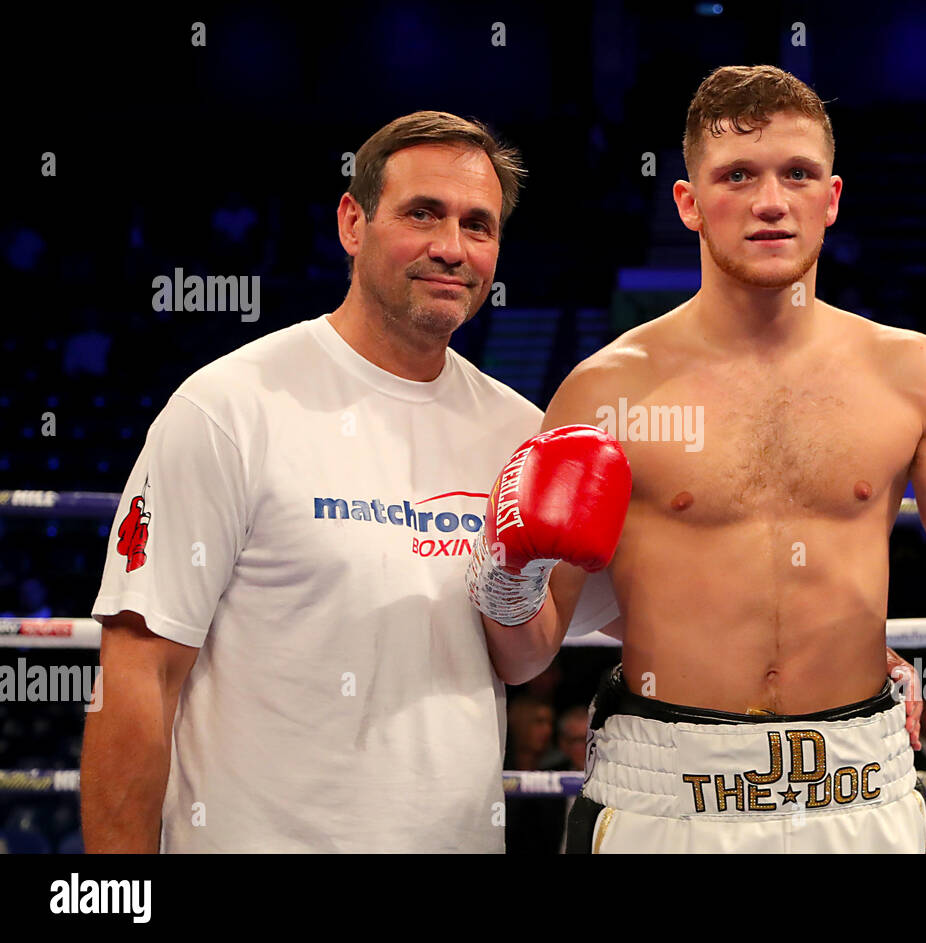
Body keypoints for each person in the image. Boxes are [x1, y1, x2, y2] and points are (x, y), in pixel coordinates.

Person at [467, 65, 926, 853]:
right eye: (737, 175)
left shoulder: (909, 372)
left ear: (830, 199)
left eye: (797, 174)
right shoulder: (608, 389)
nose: (771, 201)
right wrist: (507, 574)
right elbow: (526, 656)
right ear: (689, 203)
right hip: (668, 798)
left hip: (858, 788)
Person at [81, 110, 590, 852]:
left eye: (478, 225)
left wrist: (515, 579)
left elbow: (523, 659)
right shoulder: (229, 408)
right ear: (354, 222)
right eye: (423, 213)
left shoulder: (517, 432)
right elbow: (139, 674)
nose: (451, 248)